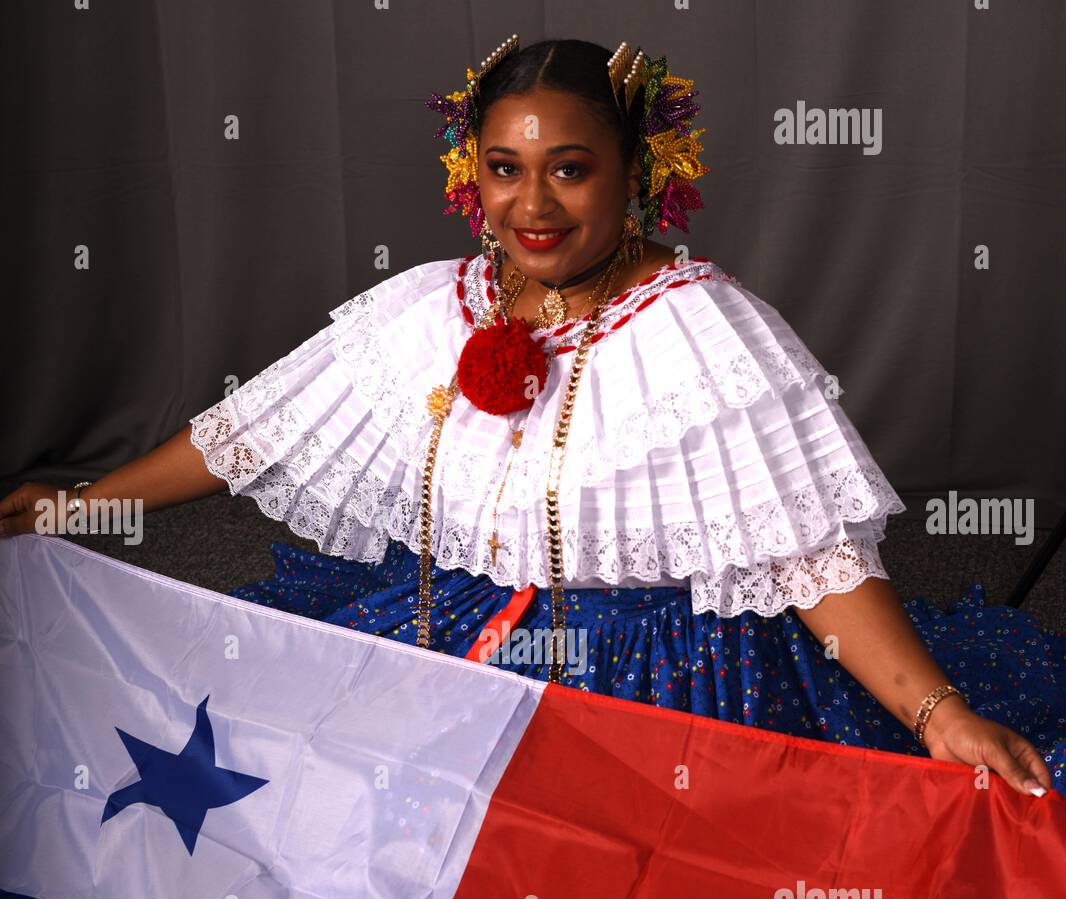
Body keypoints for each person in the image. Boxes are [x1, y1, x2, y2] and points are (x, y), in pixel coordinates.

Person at [2, 36, 1061, 797]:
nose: (534, 206)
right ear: (474, 177)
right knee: (273, 787)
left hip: (662, 674)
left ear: (637, 173)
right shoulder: (431, 304)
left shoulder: (703, 328)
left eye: (569, 169)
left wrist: (937, 714)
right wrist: (83, 508)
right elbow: (254, 434)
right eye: (504, 170)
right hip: (457, 629)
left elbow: (814, 559)